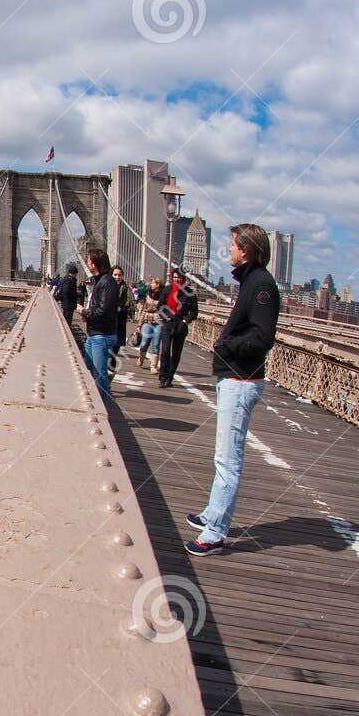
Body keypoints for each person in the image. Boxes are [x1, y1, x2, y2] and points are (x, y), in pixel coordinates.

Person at [185, 224, 281, 557]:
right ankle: (212, 514)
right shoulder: (252, 282)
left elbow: (263, 336)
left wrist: (226, 346)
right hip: (236, 379)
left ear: (247, 250)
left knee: (228, 461)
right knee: (222, 456)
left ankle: (214, 534)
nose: (229, 249)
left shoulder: (261, 285)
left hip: (241, 381)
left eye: (234, 245)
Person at [80, 247, 120, 400]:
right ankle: (96, 400)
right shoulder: (101, 281)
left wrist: (85, 312)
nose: (87, 263)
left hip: (101, 335)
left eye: (88, 260)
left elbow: (103, 311)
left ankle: (103, 405)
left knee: (99, 373)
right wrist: (88, 315)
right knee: (88, 369)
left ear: (94, 263)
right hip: (94, 334)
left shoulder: (107, 282)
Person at [156, 267, 197, 388]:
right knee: (165, 351)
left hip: (180, 325)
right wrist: (166, 318)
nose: (176, 279)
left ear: (183, 278)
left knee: (176, 353)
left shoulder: (190, 293)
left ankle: (169, 378)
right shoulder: (167, 290)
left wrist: (185, 321)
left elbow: (194, 312)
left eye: (178, 277)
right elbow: (160, 306)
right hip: (168, 324)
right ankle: (162, 377)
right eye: (174, 277)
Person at [136, 279, 164, 370]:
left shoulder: (163, 296)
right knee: (144, 344)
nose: (151, 284)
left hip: (158, 323)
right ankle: (141, 358)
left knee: (156, 345)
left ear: (158, 285)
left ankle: (153, 366)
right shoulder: (148, 295)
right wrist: (139, 325)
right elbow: (143, 310)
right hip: (147, 322)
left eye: (153, 283)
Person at [112, 266, 131, 359]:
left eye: (119, 275)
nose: (117, 277)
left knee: (116, 345)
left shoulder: (125, 288)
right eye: (115, 275)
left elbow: (128, 302)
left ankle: (112, 363)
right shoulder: (107, 286)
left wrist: (121, 308)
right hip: (109, 319)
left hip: (120, 319)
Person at [53, 261, 79, 326]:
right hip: (69, 304)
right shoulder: (70, 280)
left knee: (66, 319)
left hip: (66, 303)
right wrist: (75, 294)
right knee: (67, 321)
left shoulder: (65, 279)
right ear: (74, 273)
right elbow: (66, 291)